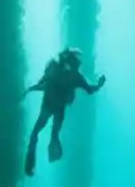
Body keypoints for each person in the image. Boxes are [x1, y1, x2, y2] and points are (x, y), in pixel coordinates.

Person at [24, 47, 105, 177]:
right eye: (76, 62)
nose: (78, 64)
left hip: (53, 106)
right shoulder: (71, 76)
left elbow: (42, 85)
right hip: (54, 106)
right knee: (48, 133)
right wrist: (99, 85)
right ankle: (32, 163)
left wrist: (29, 90)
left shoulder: (66, 74)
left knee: (42, 133)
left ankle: (31, 164)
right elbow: (90, 89)